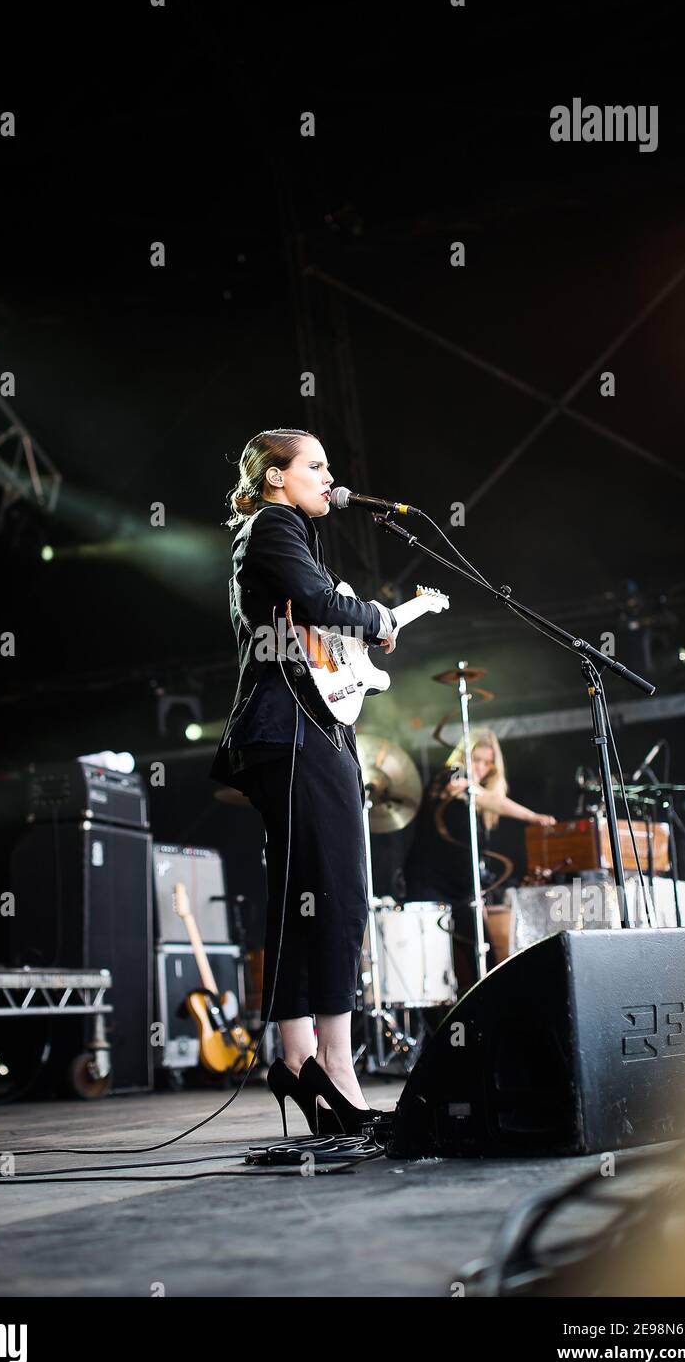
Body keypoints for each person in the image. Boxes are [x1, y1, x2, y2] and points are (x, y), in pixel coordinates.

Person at [210, 427, 399, 1136]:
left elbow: (308, 623)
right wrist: (378, 616)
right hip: (289, 731)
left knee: (304, 895)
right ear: (275, 479)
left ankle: (297, 1058)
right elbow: (319, 605)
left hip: (296, 727)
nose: (329, 477)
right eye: (315, 466)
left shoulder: (282, 531)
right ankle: (336, 1064)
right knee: (340, 889)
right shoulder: (274, 526)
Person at [403, 732, 556, 992]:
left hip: (462, 890)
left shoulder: (480, 802)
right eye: (477, 760)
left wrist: (479, 890)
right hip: (428, 883)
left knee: (484, 961)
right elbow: (482, 796)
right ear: (465, 756)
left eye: (488, 763)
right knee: (431, 966)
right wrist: (532, 816)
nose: (482, 768)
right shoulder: (450, 776)